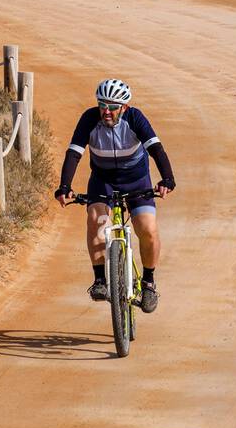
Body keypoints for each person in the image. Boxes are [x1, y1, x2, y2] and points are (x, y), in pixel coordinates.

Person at [54, 78, 175, 313]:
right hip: (103, 180)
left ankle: (148, 283)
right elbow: (74, 153)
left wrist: (167, 179)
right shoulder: (89, 118)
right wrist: (64, 186)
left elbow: (156, 149)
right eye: (102, 105)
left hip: (136, 180)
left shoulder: (135, 118)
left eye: (112, 107)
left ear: (124, 107)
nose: (106, 111)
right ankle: (100, 280)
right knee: (96, 221)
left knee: (148, 228)